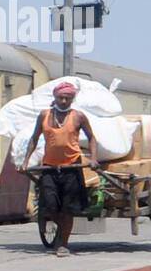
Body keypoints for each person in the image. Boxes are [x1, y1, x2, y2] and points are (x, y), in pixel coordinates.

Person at [21, 80, 99, 257]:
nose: (64, 101)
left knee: (67, 209)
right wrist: (25, 161)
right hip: (49, 167)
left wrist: (93, 159)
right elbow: (34, 138)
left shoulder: (78, 116)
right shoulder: (44, 115)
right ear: (54, 97)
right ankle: (59, 227)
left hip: (72, 167)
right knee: (50, 205)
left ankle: (63, 244)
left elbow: (92, 138)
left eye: (67, 98)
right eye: (61, 97)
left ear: (72, 99)